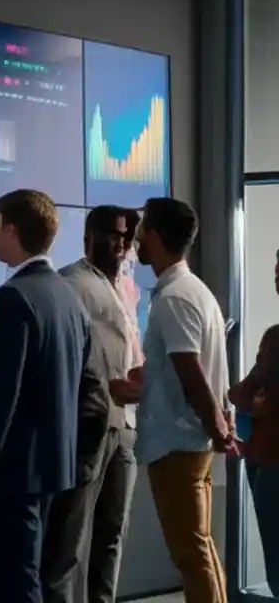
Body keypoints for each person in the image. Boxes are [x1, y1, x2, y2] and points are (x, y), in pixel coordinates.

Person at [0, 189, 90, 603]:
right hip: (52, 467)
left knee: (6, 583)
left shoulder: (12, 298)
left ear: (10, 229)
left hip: (11, 474)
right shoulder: (69, 296)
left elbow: (2, 392)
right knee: (28, 576)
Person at [110, 197, 237, 603]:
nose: (134, 240)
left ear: (156, 236)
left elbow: (191, 372)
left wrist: (217, 426)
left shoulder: (173, 298)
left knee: (190, 554)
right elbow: (188, 369)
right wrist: (144, 383)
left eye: (141, 230)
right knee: (200, 548)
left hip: (177, 445)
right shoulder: (192, 291)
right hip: (190, 441)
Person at [42, 206, 141, 603]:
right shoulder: (72, 283)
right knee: (69, 538)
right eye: (113, 234)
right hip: (88, 428)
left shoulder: (125, 287)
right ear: (89, 238)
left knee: (112, 535)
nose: (121, 243)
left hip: (124, 427)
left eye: (126, 236)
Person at [228, 256, 279, 588]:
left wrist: (256, 400)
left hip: (270, 459)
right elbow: (247, 394)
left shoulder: (275, 340)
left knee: (276, 559)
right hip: (264, 454)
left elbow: (244, 394)